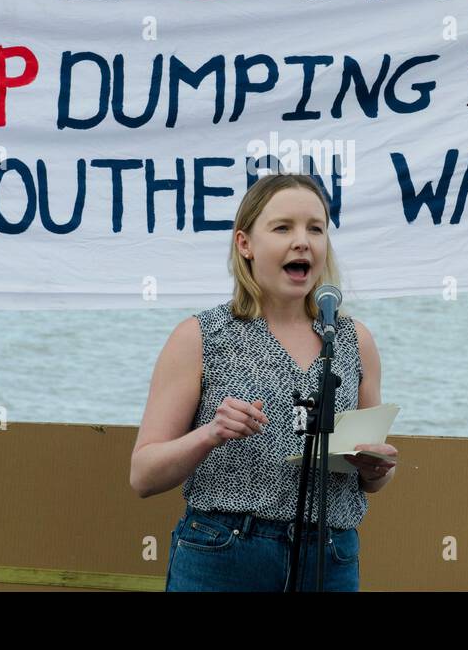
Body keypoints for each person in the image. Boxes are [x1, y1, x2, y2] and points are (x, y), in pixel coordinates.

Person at [130, 172, 397, 592]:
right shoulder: (200, 337)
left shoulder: (353, 340)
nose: (302, 241)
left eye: (316, 228)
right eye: (282, 227)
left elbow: (373, 482)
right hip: (224, 554)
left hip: (331, 555)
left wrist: (376, 466)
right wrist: (210, 434)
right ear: (245, 244)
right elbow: (143, 475)